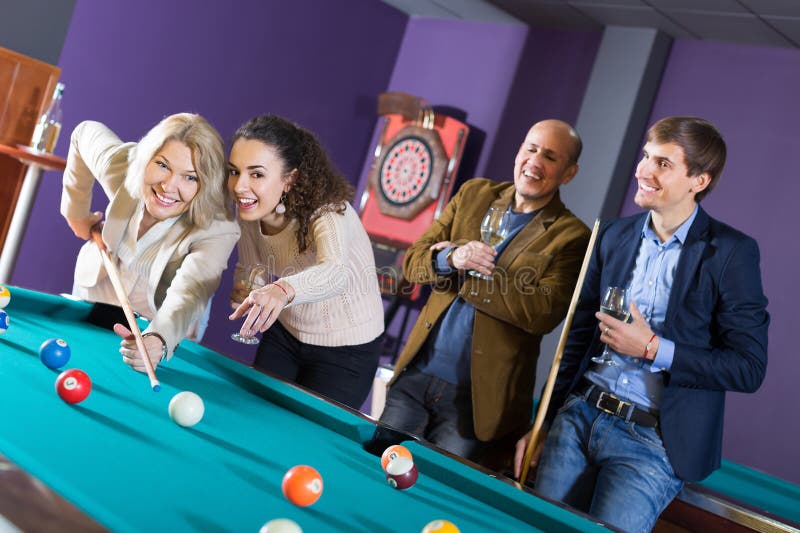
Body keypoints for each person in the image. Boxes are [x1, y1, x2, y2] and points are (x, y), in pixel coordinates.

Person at [513, 116, 769, 533]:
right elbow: (575, 339)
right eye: (646, 157)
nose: (643, 171)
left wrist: (653, 348)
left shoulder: (731, 253)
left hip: (652, 442)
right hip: (579, 417)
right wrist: (543, 422)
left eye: (663, 164)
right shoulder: (612, 235)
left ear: (698, 181)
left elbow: (748, 367)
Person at [378, 119, 591, 470]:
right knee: (378, 472)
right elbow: (413, 262)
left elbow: (543, 312)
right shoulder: (474, 194)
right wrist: (451, 257)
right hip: (414, 379)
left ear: (569, 173)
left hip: (476, 403)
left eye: (550, 157)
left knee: (437, 493)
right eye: (531, 148)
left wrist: (465, 269)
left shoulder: (571, 236)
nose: (535, 162)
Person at [227, 114, 384, 410]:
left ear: (290, 179)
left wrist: (281, 290)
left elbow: (336, 274)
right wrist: (250, 288)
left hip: (346, 350)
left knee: (307, 444)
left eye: (256, 174)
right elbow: (252, 267)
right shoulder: (250, 210)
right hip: (286, 333)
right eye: (234, 171)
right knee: (256, 415)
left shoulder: (327, 212)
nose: (239, 186)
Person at [61, 113, 240, 371]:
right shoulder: (124, 166)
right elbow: (84, 132)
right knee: (80, 362)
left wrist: (159, 338)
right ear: (146, 158)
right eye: (163, 165)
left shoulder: (218, 228)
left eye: (190, 177)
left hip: (161, 312)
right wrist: (76, 214)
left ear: (206, 184)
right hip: (102, 284)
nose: (168, 186)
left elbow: (189, 293)